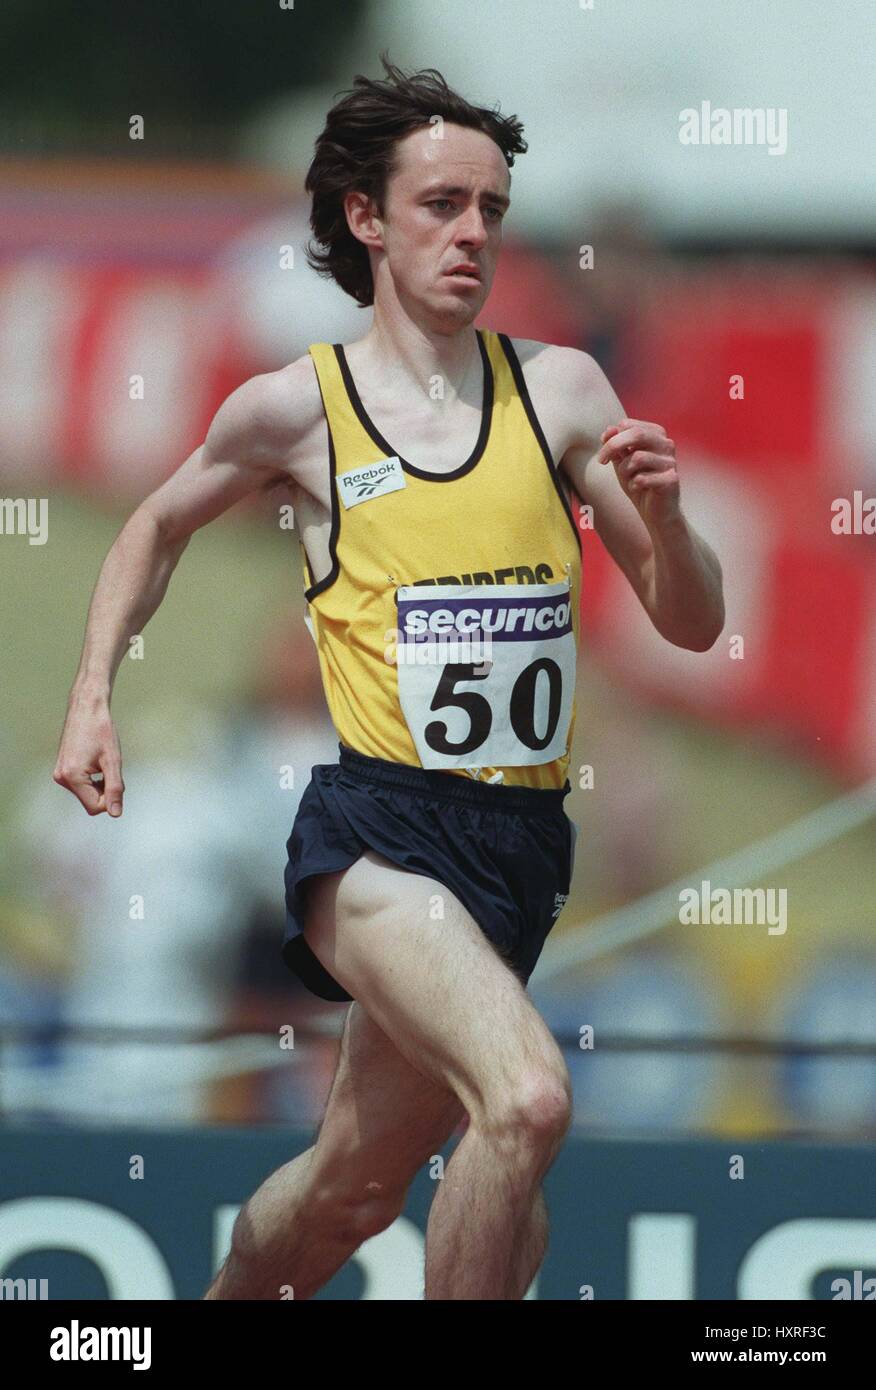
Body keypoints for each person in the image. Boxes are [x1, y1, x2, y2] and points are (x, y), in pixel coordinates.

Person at [53, 55, 724, 1300]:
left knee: (353, 1189)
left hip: (520, 845)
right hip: (375, 839)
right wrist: (93, 694)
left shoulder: (563, 392)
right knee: (524, 1101)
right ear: (366, 218)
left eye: (492, 210)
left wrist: (669, 525)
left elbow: (690, 625)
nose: (473, 234)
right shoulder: (298, 409)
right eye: (440, 205)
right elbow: (153, 526)